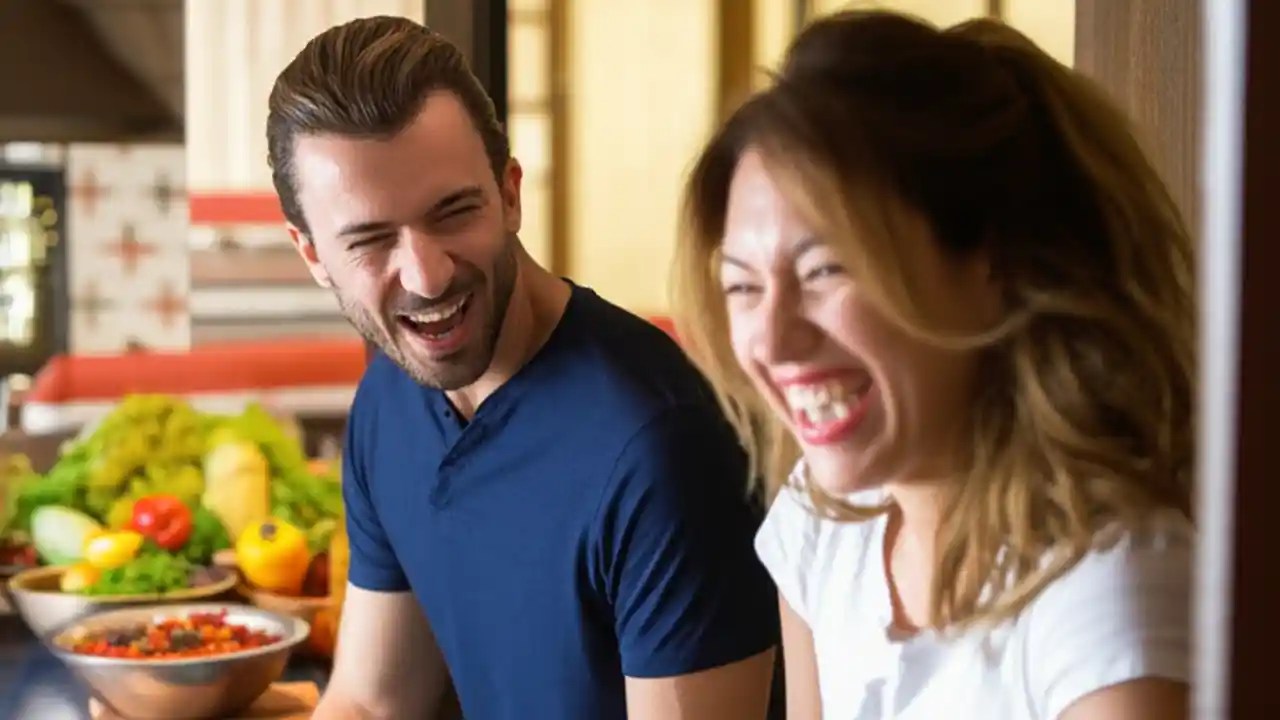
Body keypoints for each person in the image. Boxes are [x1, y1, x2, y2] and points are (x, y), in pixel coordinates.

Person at [672, 10, 1194, 720]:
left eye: (826, 269)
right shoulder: (826, 521)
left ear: (995, 263)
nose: (773, 340)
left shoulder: (1107, 589)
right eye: (743, 285)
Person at [266, 16, 779, 720]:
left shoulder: (662, 446)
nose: (426, 273)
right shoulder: (389, 399)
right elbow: (372, 703)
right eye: (371, 239)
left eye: (453, 212)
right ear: (312, 255)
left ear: (510, 193)